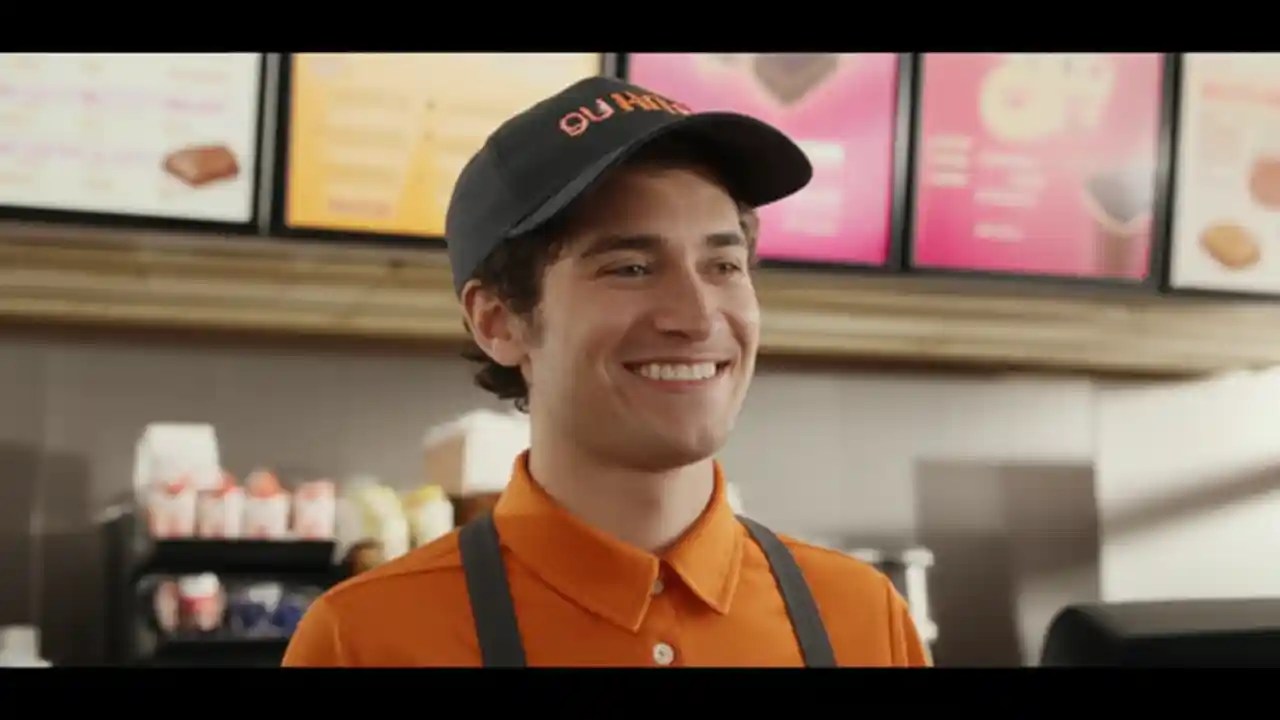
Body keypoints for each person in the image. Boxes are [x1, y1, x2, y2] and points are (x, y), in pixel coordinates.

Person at [282, 74, 931, 668]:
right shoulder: (365, 640)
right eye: (630, 267)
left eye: (724, 266)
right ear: (499, 321)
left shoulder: (862, 620)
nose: (697, 315)